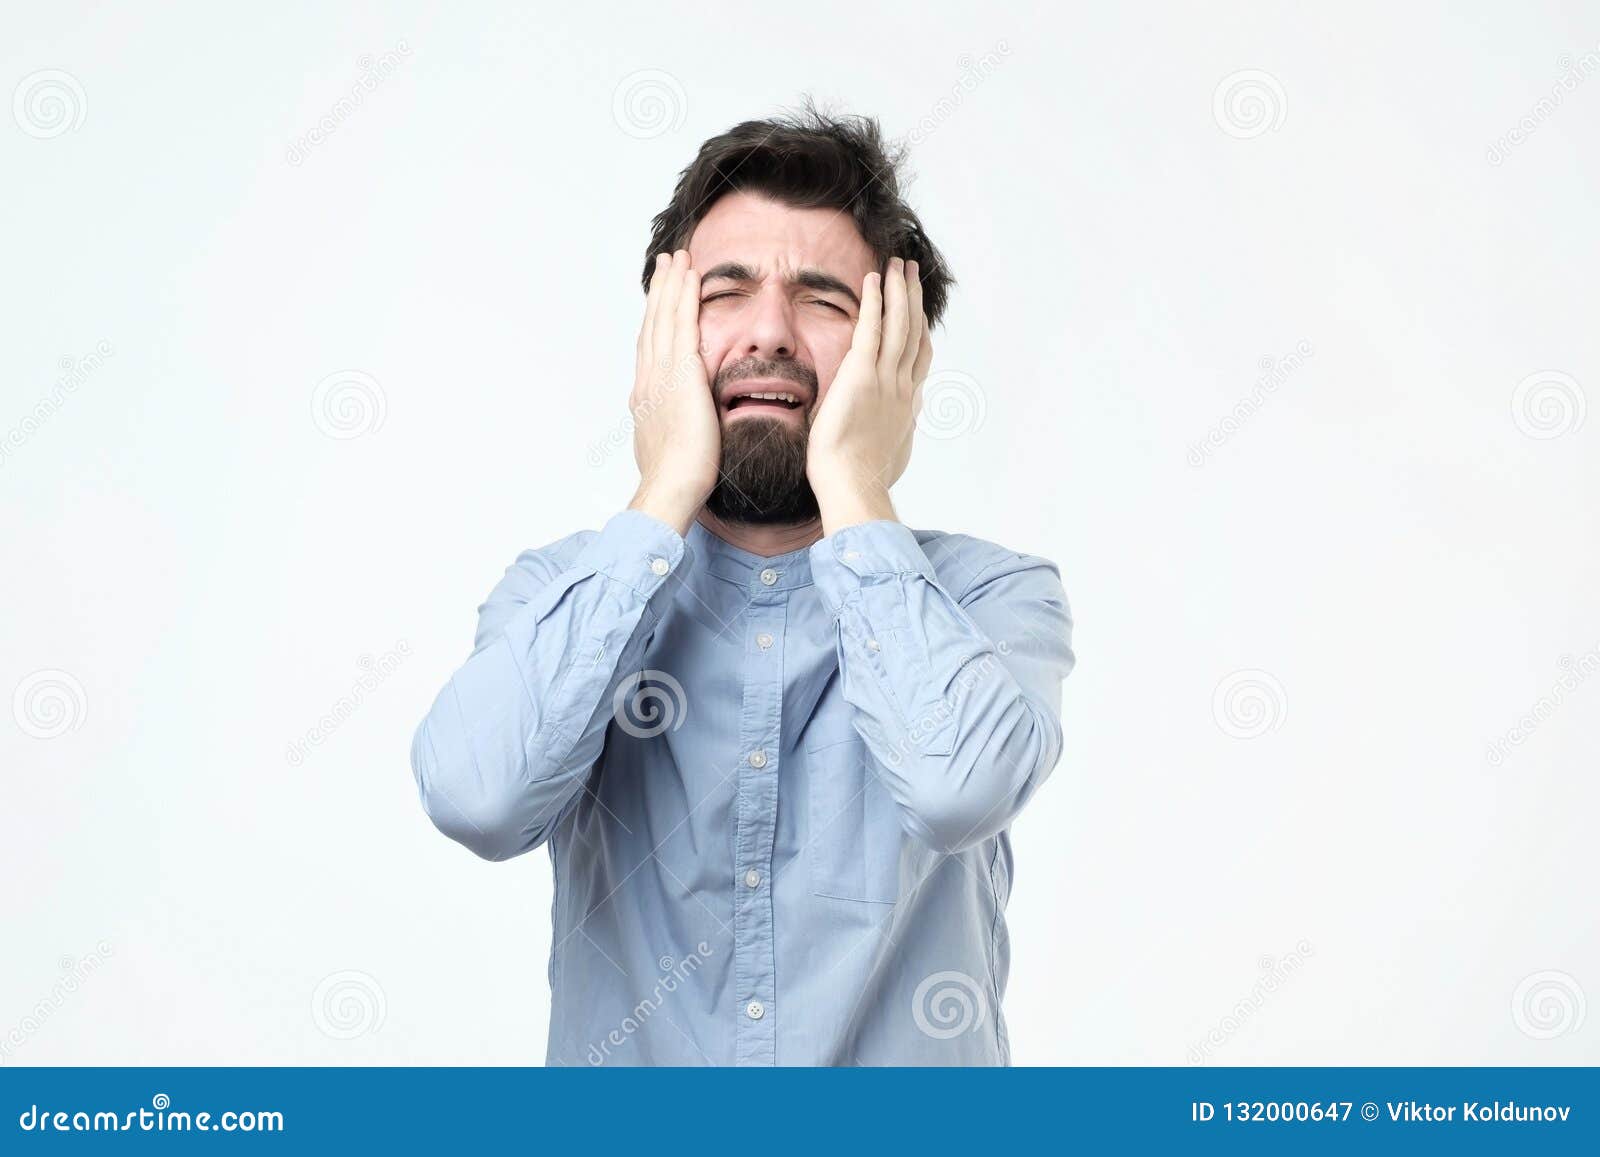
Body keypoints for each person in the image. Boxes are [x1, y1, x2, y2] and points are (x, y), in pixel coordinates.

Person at [409, 101, 1076, 1065]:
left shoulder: (992, 597)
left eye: (824, 299)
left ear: (899, 353)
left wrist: (853, 480)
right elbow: (479, 799)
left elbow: (956, 788)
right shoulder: (563, 590)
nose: (769, 332)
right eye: (725, 292)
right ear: (663, 336)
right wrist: (663, 490)